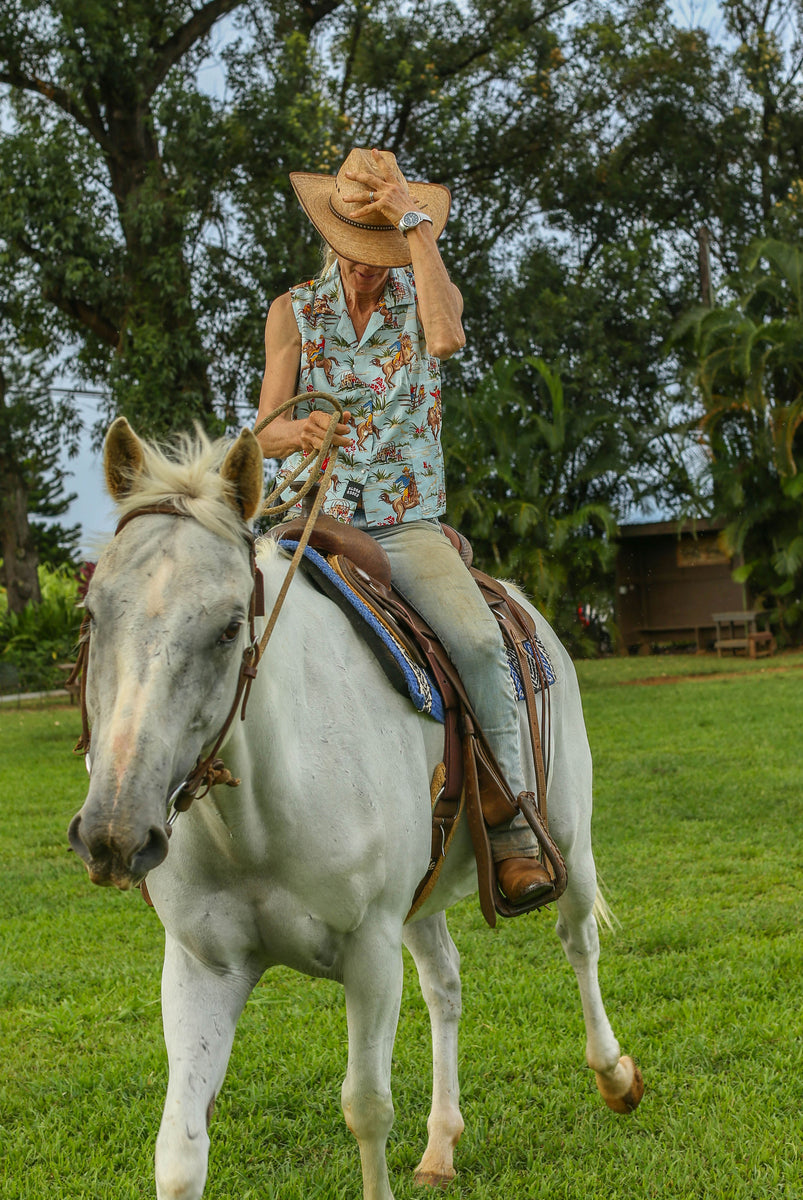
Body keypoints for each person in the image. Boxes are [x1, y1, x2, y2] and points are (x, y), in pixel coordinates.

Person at [255, 147, 550, 905]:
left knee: (480, 643)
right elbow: (262, 430)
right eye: (355, 249)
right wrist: (298, 431)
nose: (364, 266)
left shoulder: (421, 294)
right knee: (233, 619)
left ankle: (513, 823)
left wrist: (412, 230)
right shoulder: (292, 310)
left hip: (401, 521)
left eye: (376, 252)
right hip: (311, 515)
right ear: (329, 234)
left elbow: (447, 337)